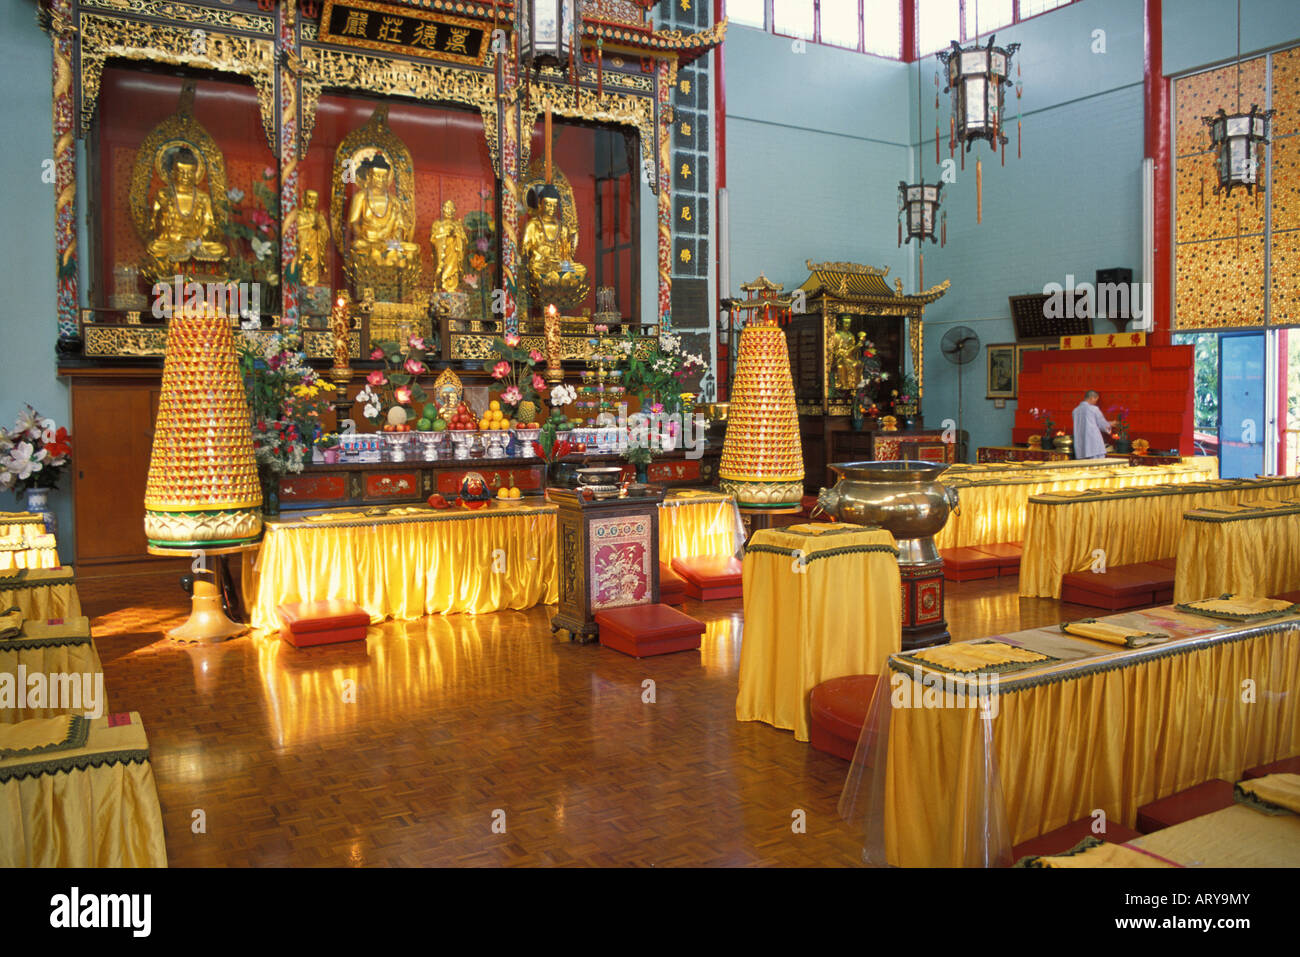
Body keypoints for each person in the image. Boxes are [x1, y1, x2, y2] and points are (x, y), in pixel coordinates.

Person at [1072, 389, 1115, 459]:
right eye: (1096, 400)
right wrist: (1111, 424)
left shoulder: (1075, 411)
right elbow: (1102, 424)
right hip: (1093, 444)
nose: (1095, 402)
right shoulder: (1093, 409)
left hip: (1080, 444)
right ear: (1092, 398)